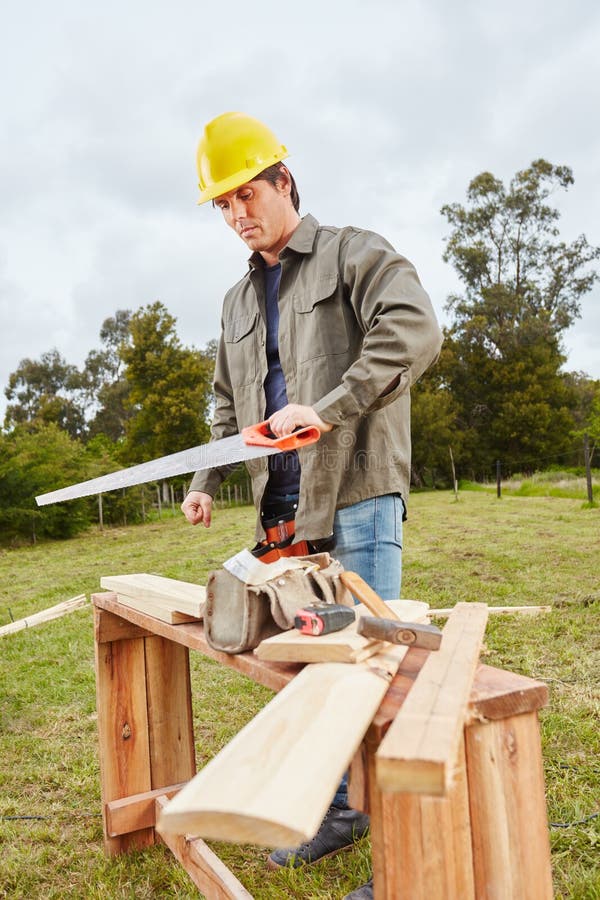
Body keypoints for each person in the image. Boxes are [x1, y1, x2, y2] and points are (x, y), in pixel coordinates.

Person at [181, 111, 443, 899]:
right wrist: (203, 481)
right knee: (309, 673)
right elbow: (227, 407)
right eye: (222, 204)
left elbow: (414, 331)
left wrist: (329, 407)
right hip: (281, 519)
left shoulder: (354, 253)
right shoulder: (233, 302)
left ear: (284, 180)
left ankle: (403, 860)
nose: (237, 215)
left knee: (376, 679)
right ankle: (340, 812)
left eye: (247, 194)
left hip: (357, 495)